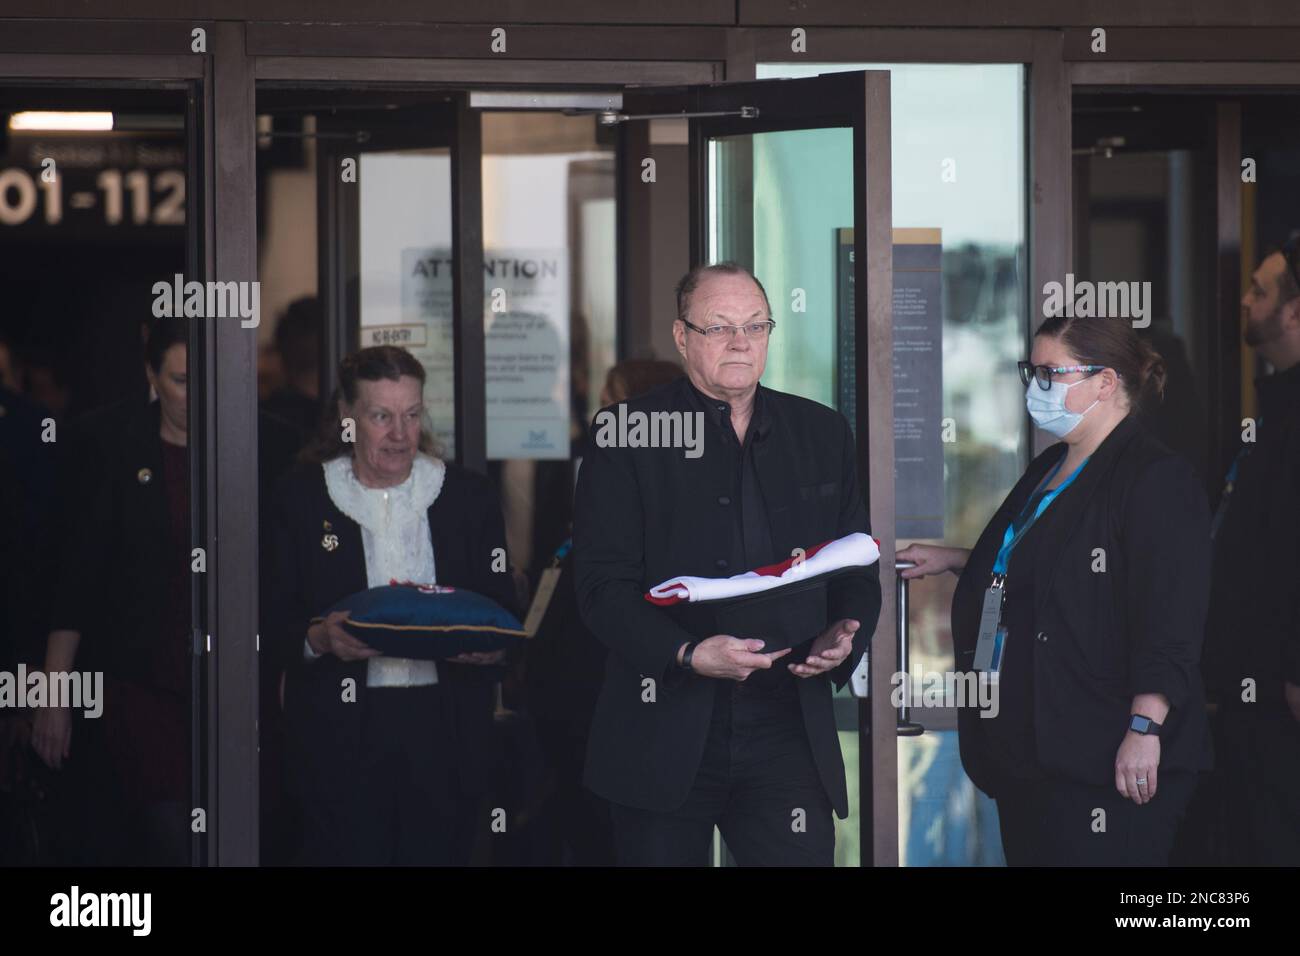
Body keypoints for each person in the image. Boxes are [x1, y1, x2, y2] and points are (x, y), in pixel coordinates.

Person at [573, 262, 881, 866]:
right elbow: (601, 587)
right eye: (719, 328)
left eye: (755, 326)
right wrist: (688, 655)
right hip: (663, 720)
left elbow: (855, 565)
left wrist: (846, 634)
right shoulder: (626, 431)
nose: (741, 341)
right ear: (682, 336)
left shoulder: (822, 431)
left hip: (787, 722)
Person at [899, 313, 1212, 866]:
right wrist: (954, 560)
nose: (1033, 387)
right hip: (1033, 751)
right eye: (1030, 370)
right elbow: (1049, 567)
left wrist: (1144, 727)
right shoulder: (1052, 464)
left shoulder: (1154, 477)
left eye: (1049, 372)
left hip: (1105, 755)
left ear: (1106, 382)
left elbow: (1171, 615)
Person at [266, 345, 518, 865]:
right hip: (341, 732)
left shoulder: (468, 497)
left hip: (444, 731)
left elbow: (502, 611)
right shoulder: (301, 498)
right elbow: (270, 618)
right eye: (381, 416)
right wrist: (318, 638)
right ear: (348, 418)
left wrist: (491, 651)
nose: (399, 434)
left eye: (410, 415)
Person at [32, 317, 196, 865]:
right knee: (166, 828)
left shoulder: (263, 446)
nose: (195, 397)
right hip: (142, 680)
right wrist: (52, 695)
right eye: (179, 381)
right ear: (151, 376)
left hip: (232, 685)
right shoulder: (112, 444)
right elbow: (76, 572)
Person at [526, 358, 682, 865]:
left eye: (612, 402)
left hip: (603, 692)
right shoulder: (593, 477)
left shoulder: (665, 504)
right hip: (570, 692)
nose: (601, 416)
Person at [1201, 236, 1300, 865]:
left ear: (1294, 311)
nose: (1244, 298)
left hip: (1279, 690)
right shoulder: (1277, 406)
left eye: (1260, 289)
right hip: (1248, 686)